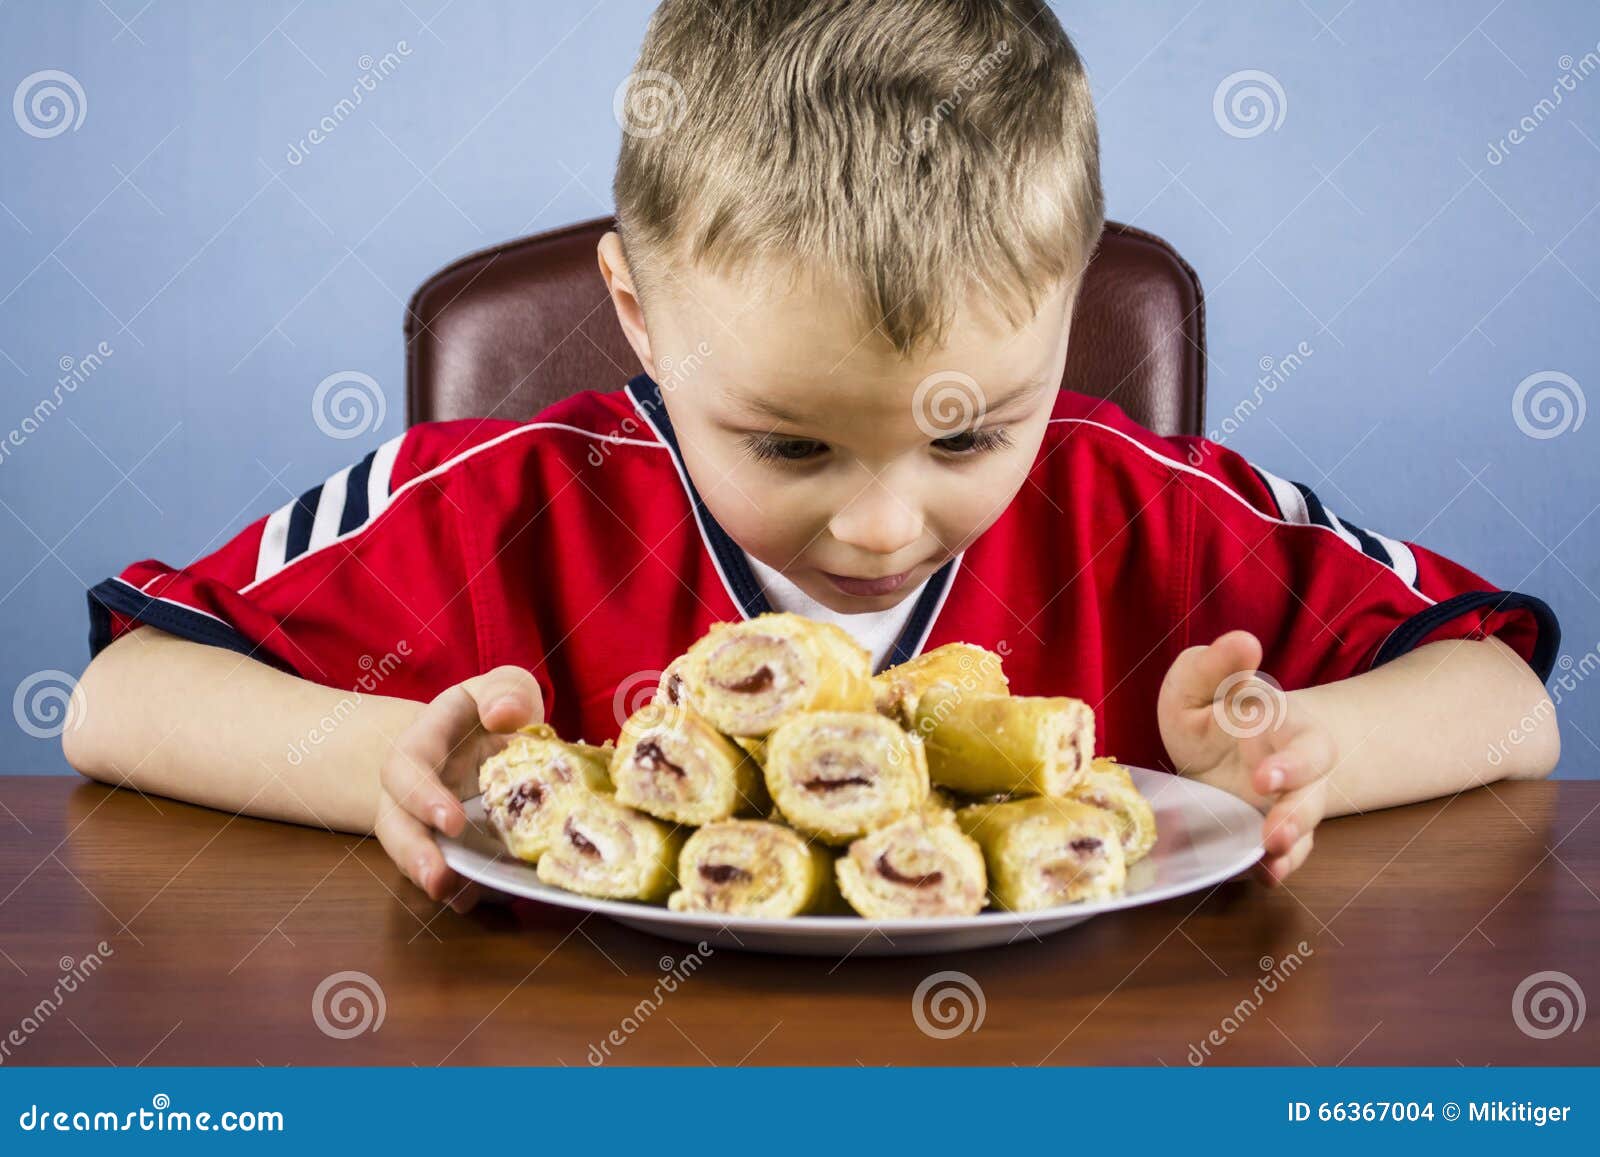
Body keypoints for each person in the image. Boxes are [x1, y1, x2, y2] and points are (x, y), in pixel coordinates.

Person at [64, 0, 1560, 913]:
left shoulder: (1148, 512)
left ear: (1065, 307)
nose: (881, 518)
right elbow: (120, 699)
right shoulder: (497, 503)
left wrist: (1298, 755)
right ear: (638, 317)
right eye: (788, 439)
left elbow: (1505, 705)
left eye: (971, 429)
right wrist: (379, 767)